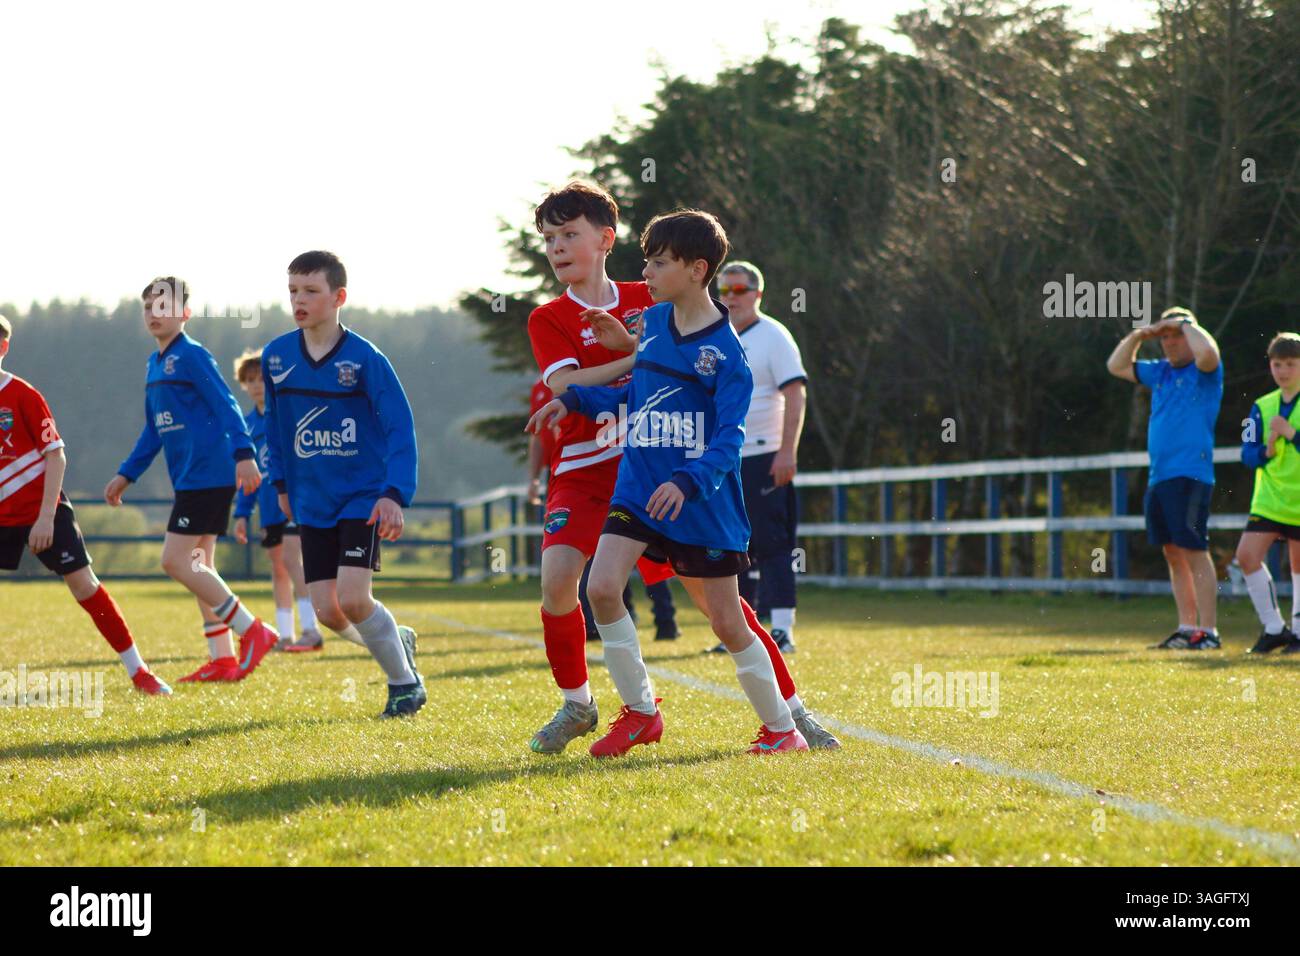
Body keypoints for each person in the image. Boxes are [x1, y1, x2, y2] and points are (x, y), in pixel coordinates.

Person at [524, 181, 838, 753]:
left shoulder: (658, 308)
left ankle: (789, 715)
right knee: (571, 584)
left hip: (681, 482)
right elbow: (588, 384)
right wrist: (598, 382)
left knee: (723, 611)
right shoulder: (556, 318)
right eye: (549, 238)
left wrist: (634, 357)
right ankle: (593, 706)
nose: (557, 247)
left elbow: (723, 427)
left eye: (569, 234)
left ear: (603, 239)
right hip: (604, 473)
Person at [261, 251, 424, 717]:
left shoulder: (365, 359)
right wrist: (281, 484)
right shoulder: (276, 357)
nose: (299, 299)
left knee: (354, 597)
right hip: (311, 499)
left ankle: (404, 685)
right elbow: (274, 426)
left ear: (338, 297)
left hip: (362, 496)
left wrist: (394, 494)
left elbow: (399, 427)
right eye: (293, 290)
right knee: (329, 613)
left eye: (311, 291)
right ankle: (397, 641)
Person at [104, 278, 278, 682]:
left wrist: (244, 454)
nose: (154, 313)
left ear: (184, 313)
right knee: (200, 564)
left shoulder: (193, 356)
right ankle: (223, 658)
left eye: (163, 306)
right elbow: (154, 429)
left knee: (175, 560)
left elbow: (227, 404)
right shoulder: (154, 364)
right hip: (189, 477)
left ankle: (253, 630)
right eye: (148, 306)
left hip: (209, 472)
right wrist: (126, 474)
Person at [0, 316, 169, 694]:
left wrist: (45, 520)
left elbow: (55, 456)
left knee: (84, 586)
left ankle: (139, 672)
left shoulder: (24, 395)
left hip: (40, 512)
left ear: (4, 347)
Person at [1105, 307, 1223, 649]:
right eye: (1166, 337)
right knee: (1173, 552)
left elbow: (1208, 352)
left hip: (1191, 474)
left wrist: (1186, 325)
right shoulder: (1159, 373)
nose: (1171, 343)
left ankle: (1209, 633)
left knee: (1195, 549)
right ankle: (1187, 629)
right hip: (1161, 476)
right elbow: (1116, 366)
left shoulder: (1206, 371)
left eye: (1177, 336)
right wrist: (1141, 335)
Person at [708, 260, 806, 654]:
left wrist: (787, 451)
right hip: (723, 458)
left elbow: (795, 393)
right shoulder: (714, 335)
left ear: (757, 294)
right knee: (730, 545)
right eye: (725, 290)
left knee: (772, 542)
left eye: (739, 290)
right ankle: (740, 627)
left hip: (764, 453)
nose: (731, 298)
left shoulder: (774, 336)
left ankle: (782, 627)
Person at [231, 350, 323, 651]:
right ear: (244, 385)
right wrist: (242, 514)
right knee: (278, 567)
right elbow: (248, 477)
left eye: (261, 379)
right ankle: (285, 634)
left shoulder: (288, 415)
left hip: (295, 500)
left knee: (292, 559)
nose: (257, 385)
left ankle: (312, 629)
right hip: (268, 506)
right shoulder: (245, 427)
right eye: (250, 380)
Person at [1235, 332, 1300, 654]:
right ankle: (1275, 628)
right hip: (1270, 498)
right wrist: (1266, 451)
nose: (1283, 371)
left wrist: (1293, 434)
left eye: (1291, 363)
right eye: (1277, 364)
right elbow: (1246, 454)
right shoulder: (1260, 407)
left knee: (1298, 565)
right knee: (1247, 557)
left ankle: (1299, 634)